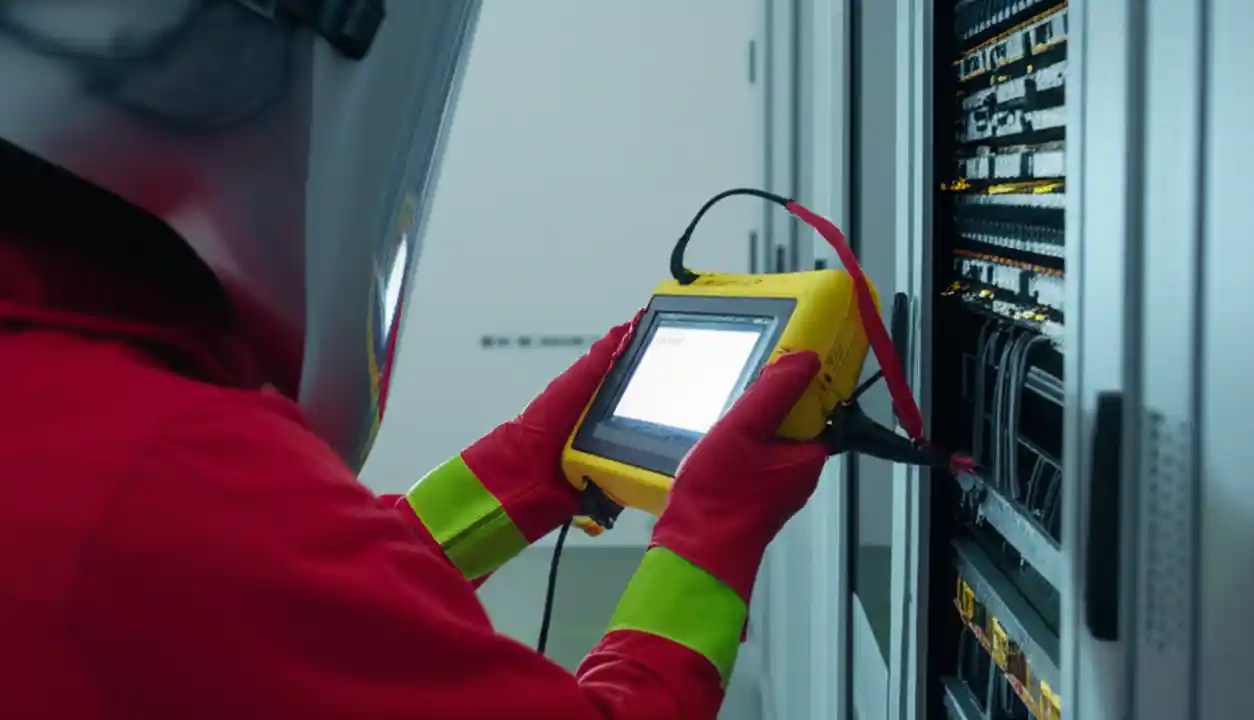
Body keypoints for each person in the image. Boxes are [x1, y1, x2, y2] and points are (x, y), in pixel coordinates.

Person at [0, 2, 830, 717]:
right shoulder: (164, 466)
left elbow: (272, 606)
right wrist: (710, 539)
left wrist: (520, 471)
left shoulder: (61, 401)